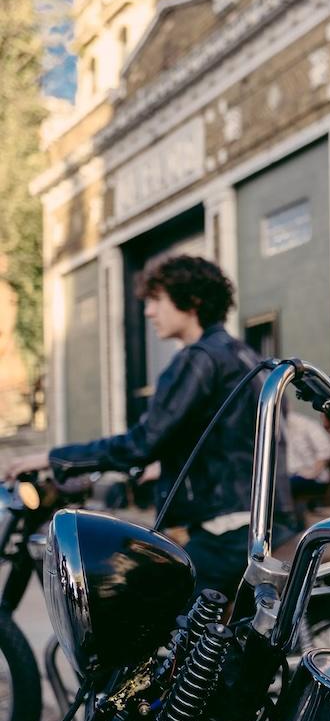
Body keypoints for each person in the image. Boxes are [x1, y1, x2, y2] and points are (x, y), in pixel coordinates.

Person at [3, 254, 293, 598]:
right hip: (265, 518)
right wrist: (167, 465)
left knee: (147, 606)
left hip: (228, 529)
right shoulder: (243, 354)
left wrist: (53, 457)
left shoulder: (198, 359)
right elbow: (230, 437)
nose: (148, 311)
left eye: (157, 300)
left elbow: (140, 443)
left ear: (191, 300)